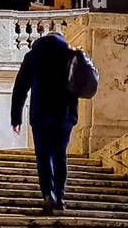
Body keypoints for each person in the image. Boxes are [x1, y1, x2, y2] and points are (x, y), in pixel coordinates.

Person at [10, 31, 79, 213]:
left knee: (43, 155)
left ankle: (48, 194)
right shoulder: (70, 54)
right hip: (64, 114)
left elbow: (20, 88)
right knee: (60, 155)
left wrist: (16, 118)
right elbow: (80, 83)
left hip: (40, 114)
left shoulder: (33, 56)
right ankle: (60, 195)